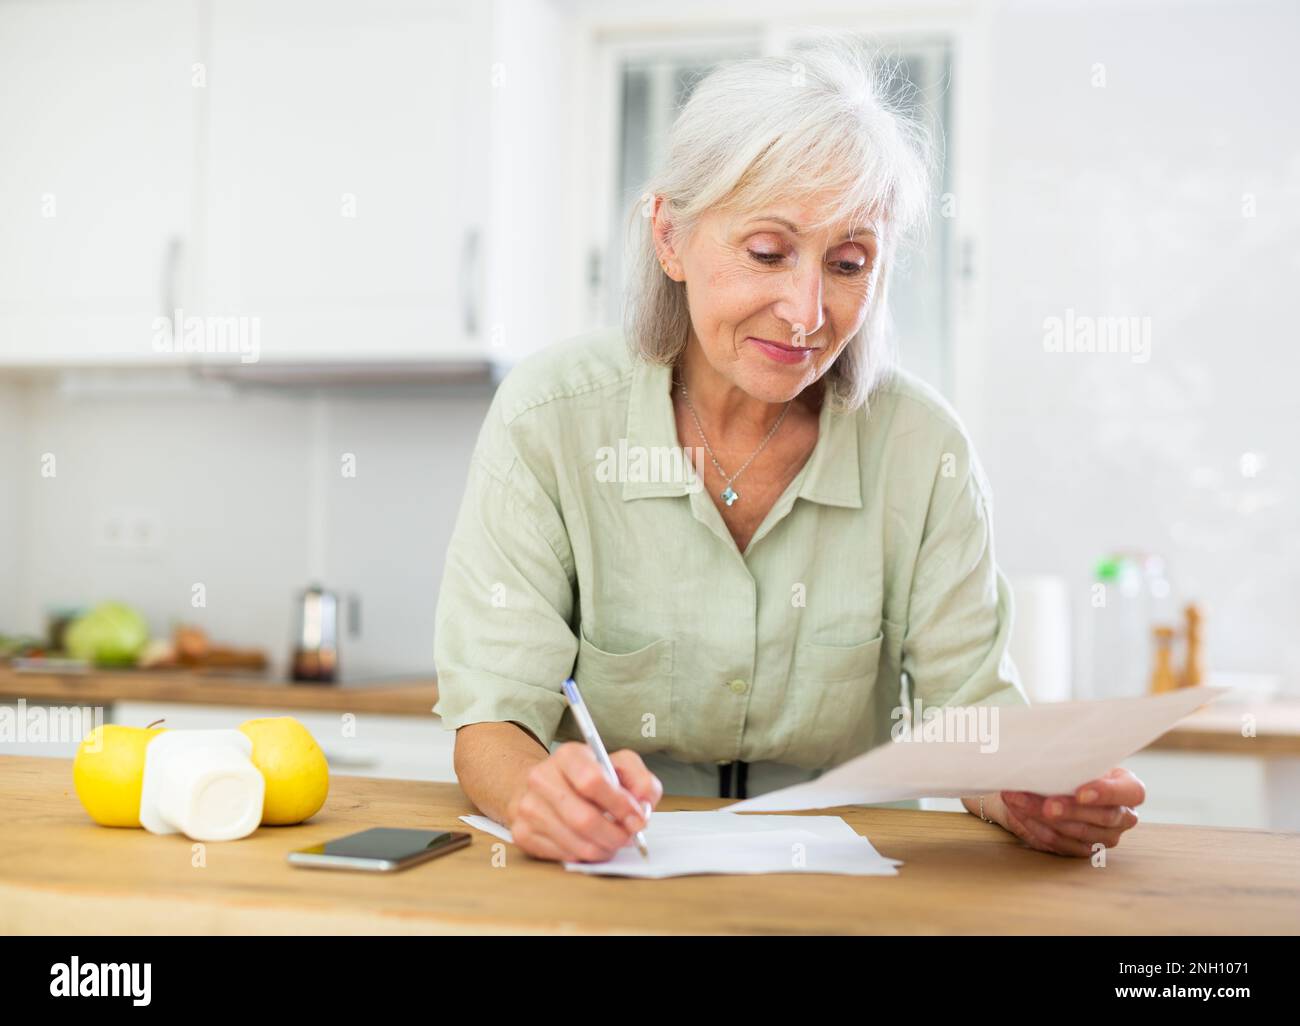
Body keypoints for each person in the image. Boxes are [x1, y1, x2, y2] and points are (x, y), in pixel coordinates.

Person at [433, 36, 1144, 863]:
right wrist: (540, 795)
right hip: (609, 879)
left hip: (852, 887)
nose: (807, 313)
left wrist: (1028, 789)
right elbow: (493, 717)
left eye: (848, 263)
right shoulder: (549, 419)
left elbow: (970, 719)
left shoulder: (921, 449)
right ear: (670, 238)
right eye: (767, 253)